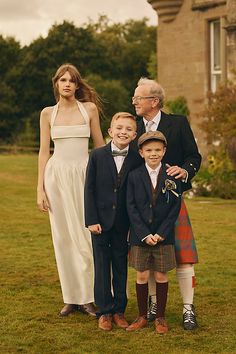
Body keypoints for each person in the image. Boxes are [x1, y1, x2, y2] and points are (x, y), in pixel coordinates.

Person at [130, 77, 202, 330]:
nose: (134, 101)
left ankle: (188, 308)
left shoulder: (177, 123)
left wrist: (185, 171)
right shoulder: (133, 126)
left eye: (138, 97)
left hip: (172, 201)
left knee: (183, 258)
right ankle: (152, 304)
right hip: (142, 203)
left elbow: (194, 155)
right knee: (148, 255)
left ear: (154, 101)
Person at [37, 63, 104, 317]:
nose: (67, 84)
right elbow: (44, 152)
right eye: (62, 80)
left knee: (85, 236)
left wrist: (105, 181)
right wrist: (40, 190)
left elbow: (99, 147)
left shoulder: (89, 109)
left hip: (85, 176)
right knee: (63, 238)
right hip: (57, 178)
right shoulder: (47, 114)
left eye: (71, 80)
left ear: (77, 85)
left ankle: (89, 297)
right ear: (56, 83)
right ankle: (72, 298)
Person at [84, 112, 142, 331]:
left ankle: (119, 310)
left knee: (120, 266)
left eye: (128, 129)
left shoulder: (137, 159)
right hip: (99, 221)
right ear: (110, 131)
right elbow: (89, 189)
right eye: (119, 128)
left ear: (134, 135)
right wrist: (91, 219)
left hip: (123, 223)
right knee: (101, 266)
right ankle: (104, 311)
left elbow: (137, 193)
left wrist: (134, 226)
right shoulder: (97, 155)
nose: (123, 132)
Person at [126, 131, 181, 333]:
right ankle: (142, 316)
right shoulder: (134, 176)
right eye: (149, 150)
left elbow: (175, 207)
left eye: (158, 150)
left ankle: (160, 318)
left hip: (163, 237)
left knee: (161, 275)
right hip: (140, 237)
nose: (153, 153)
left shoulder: (172, 176)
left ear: (164, 151)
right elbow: (130, 207)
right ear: (141, 152)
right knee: (141, 275)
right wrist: (143, 233)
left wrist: (161, 233)